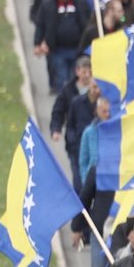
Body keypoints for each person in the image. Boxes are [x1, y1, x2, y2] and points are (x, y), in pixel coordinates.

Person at [34, 0, 89, 93]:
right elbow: (41, 25)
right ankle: (63, 100)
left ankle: (72, 103)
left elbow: (88, 23)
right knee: (61, 77)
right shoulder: (47, 6)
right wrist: (37, 43)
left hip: (77, 49)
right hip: (58, 49)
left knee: (74, 77)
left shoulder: (81, 3)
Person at [50, 55, 92, 185]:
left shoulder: (96, 90)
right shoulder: (68, 90)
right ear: (77, 71)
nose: (86, 75)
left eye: (89, 71)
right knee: (78, 178)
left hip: (93, 140)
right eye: (83, 71)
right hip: (75, 142)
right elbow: (58, 111)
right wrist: (56, 129)